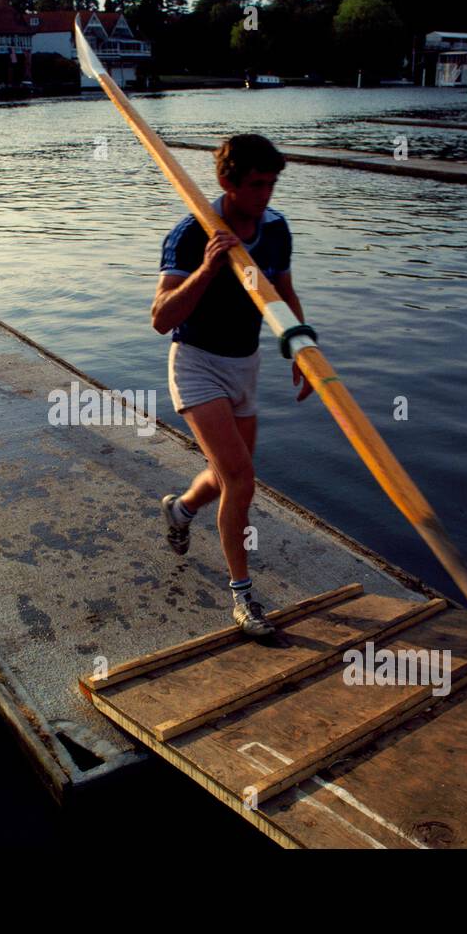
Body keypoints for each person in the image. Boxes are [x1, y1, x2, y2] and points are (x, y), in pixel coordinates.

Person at [152, 134, 312, 636]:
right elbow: (161, 318)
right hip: (197, 364)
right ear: (227, 182)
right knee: (243, 480)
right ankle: (243, 599)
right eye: (257, 184)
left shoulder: (276, 229)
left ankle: (180, 509)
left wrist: (300, 349)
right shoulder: (190, 233)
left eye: (272, 183)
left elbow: (283, 291)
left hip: (247, 364)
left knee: (225, 478)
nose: (266, 194)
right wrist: (208, 268)